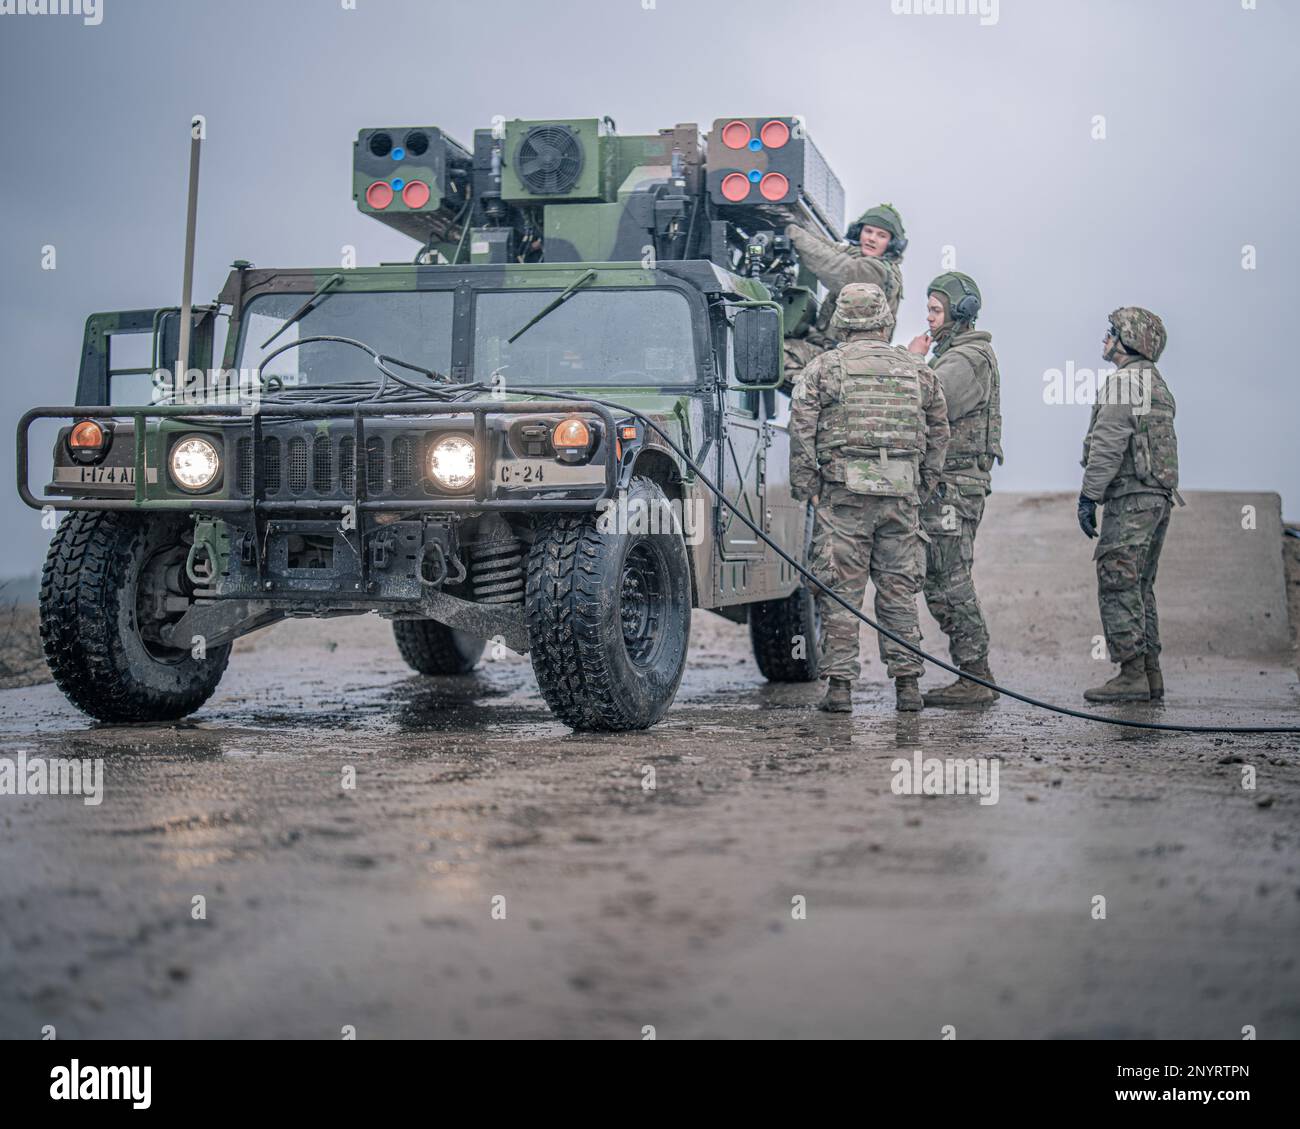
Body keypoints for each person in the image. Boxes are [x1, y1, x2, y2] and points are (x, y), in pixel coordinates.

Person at [789, 282, 950, 713]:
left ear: (842, 320)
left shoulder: (824, 369)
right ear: (884, 319)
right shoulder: (917, 370)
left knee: (841, 591)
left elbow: (801, 429)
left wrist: (808, 487)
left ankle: (840, 689)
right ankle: (909, 687)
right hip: (901, 496)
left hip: (844, 497)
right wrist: (923, 484)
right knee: (898, 591)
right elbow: (939, 431)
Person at [905, 272, 1003, 706]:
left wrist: (910, 362)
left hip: (954, 487)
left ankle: (976, 676)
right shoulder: (957, 354)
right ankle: (973, 672)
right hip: (950, 485)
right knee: (941, 576)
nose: (928, 317)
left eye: (935, 309)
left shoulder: (967, 360)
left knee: (949, 577)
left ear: (958, 314)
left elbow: (929, 400)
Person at [1077, 307, 1180, 702]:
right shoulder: (1157, 384)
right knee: (1140, 584)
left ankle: (1131, 673)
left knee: (1117, 578)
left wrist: (1088, 497)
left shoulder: (1125, 383)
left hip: (1132, 498)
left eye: (1112, 332)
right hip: (1158, 498)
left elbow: (1107, 445)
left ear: (1129, 341)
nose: (1105, 338)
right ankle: (1150, 673)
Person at [783, 203, 908, 365]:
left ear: (891, 244)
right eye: (868, 231)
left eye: (881, 235)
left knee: (778, 352)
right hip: (838, 352)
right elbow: (832, 248)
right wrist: (796, 226)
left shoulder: (876, 271)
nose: (871, 238)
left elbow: (836, 267)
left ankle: (812, 389)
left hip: (850, 361)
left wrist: (795, 235)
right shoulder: (861, 257)